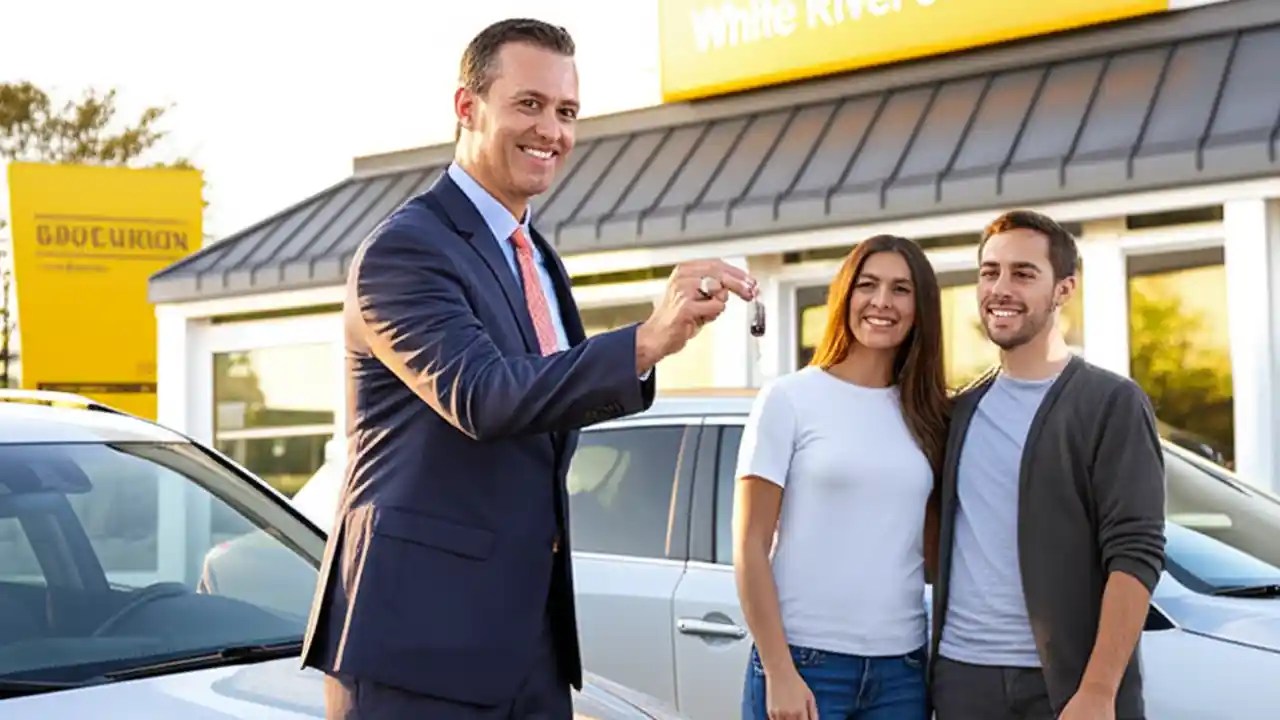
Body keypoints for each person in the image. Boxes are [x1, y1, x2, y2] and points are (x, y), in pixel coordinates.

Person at [299, 18, 757, 720]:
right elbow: (481, 395)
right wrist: (645, 340)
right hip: (415, 650)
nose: (552, 130)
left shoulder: (539, 257)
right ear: (466, 107)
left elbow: (548, 413)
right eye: (530, 104)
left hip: (526, 651)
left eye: (567, 112)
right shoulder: (403, 252)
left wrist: (649, 345)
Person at [929, 210, 1167, 720]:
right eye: (989, 272)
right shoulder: (961, 410)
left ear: (1064, 289)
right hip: (962, 680)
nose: (1000, 288)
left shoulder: (1111, 403)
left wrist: (1099, 690)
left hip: (1067, 687)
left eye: (1023, 273)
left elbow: (1136, 553)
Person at [733, 234, 950, 720]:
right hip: (806, 665)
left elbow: (936, 551)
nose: (881, 302)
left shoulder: (931, 415)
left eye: (901, 289)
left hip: (901, 671)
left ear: (921, 309)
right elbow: (749, 546)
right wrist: (780, 670)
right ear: (845, 295)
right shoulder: (788, 399)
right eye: (867, 285)